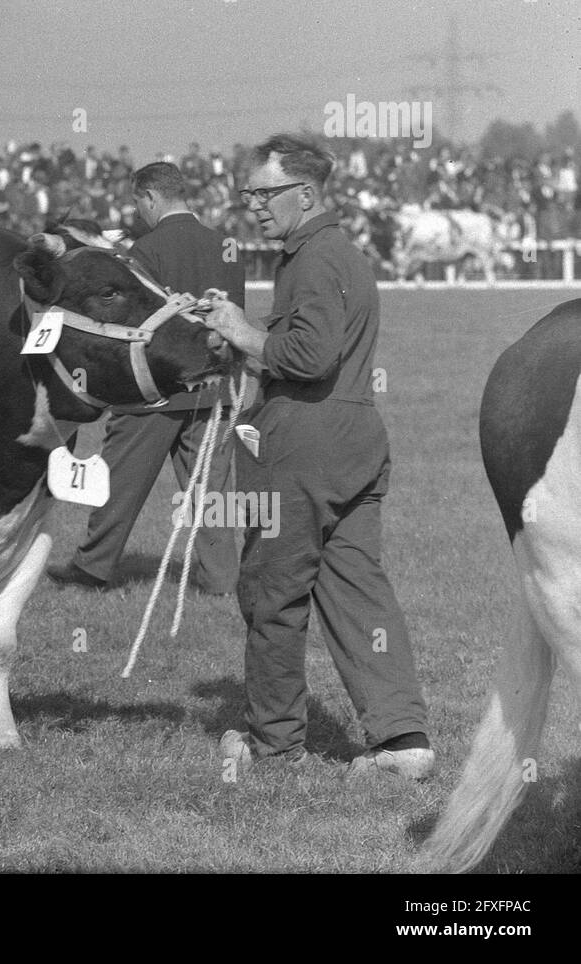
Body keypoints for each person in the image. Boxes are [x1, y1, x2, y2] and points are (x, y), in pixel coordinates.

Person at [200, 133, 433, 779]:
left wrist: (242, 333)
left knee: (273, 589)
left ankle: (274, 744)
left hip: (304, 442)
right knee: (358, 587)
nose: (254, 205)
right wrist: (240, 336)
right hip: (356, 438)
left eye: (265, 193)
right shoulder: (335, 252)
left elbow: (310, 356)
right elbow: (307, 343)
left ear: (305, 193)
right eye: (248, 193)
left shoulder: (313, 257)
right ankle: (402, 742)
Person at [45, 162, 246, 595]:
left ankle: (92, 568)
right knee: (211, 493)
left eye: (138, 204)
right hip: (215, 390)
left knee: (119, 484)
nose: (137, 213)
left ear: (150, 197)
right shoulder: (226, 245)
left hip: (154, 391)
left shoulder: (144, 251)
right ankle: (222, 579)